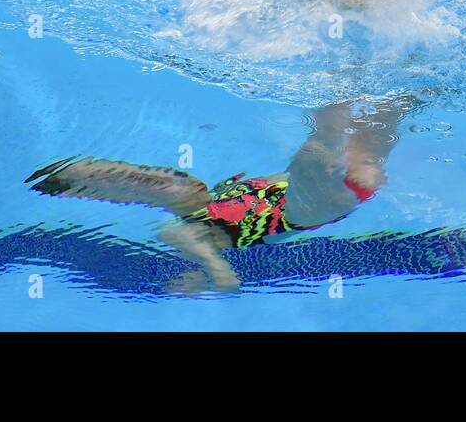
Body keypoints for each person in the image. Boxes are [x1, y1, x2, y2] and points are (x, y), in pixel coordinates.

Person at [26, 96, 408, 293]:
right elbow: (223, 278)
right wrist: (211, 273)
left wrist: (207, 274)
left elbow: (164, 208)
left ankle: (409, 78)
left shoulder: (204, 206)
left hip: (325, 189)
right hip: (309, 205)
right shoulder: (195, 230)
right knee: (325, 137)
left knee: (388, 107)